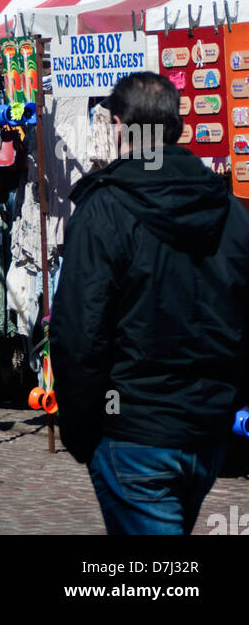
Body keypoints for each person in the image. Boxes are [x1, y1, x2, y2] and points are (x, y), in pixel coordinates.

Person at [50, 71, 249, 536]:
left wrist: (80, 430)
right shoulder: (232, 211)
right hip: (199, 426)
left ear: (119, 125)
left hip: (136, 429)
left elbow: (79, 330)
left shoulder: (105, 208)